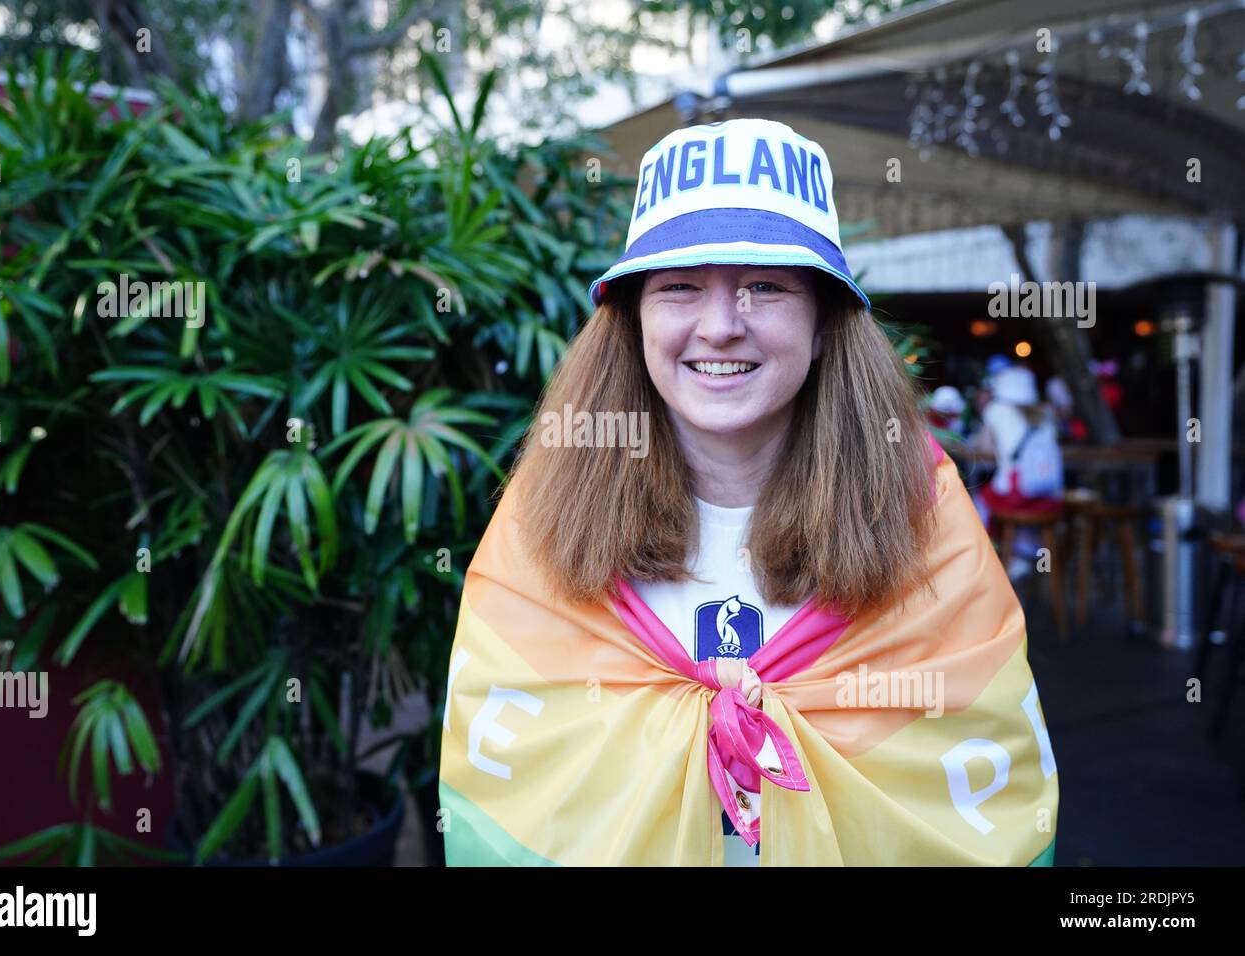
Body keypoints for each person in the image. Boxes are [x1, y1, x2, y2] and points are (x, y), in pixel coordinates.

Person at [438, 118, 1057, 866]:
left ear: (826, 323)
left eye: (765, 287)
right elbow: (509, 794)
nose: (721, 326)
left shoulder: (923, 520)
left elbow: (982, 797)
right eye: (679, 288)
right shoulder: (543, 523)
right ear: (633, 321)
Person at [972, 365, 1065, 580]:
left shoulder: (996, 410)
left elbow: (984, 448)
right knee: (1023, 504)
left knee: (981, 501)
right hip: (1051, 498)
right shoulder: (1047, 412)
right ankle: (1024, 552)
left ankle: (989, 560)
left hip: (1017, 495)